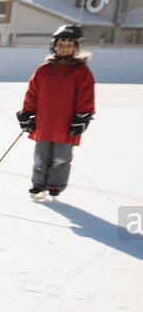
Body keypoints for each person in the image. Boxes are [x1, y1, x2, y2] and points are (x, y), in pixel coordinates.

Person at [18, 23, 95, 201]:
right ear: (54, 45)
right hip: (44, 122)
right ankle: (38, 184)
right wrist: (27, 113)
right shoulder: (44, 69)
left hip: (66, 124)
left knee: (61, 158)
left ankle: (55, 185)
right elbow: (32, 93)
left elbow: (86, 96)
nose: (64, 49)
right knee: (41, 157)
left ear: (76, 47)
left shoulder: (81, 71)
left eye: (69, 46)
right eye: (61, 45)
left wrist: (83, 117)